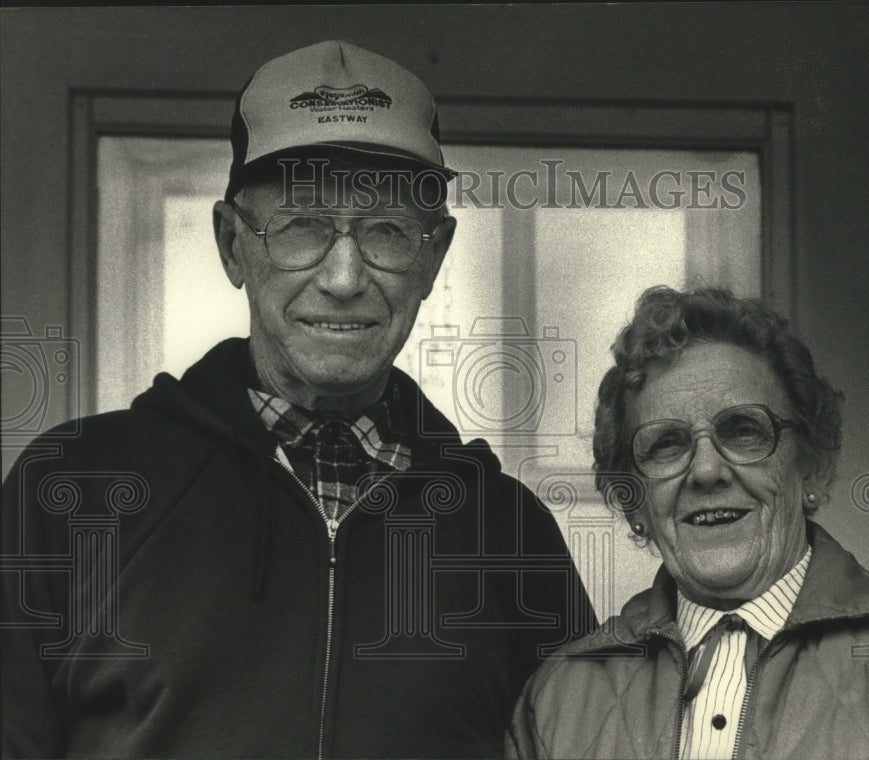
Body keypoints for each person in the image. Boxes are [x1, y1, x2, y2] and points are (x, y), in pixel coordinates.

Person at [1, 41, 594, 758]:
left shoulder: (510, 535)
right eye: (302, 227)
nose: (344, 278)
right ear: (232, 245)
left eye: (386, 232)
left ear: (433, 256)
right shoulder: (71, 491)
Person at [506, 286, 869, 760]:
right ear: (633, 501)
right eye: (667, 444)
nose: (706, 471)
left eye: (743, 431)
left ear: (812, 465)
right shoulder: (557, 700)